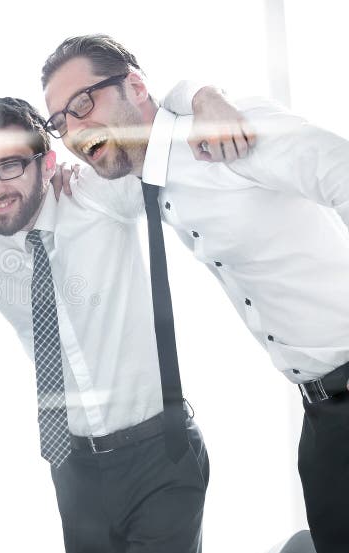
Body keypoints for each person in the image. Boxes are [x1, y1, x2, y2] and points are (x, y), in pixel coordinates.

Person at [41, 34, 349, 553]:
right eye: (60, 121)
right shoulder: (142, 177)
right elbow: (29, 197)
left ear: (135, 86)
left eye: (83, 104)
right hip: (323, 412)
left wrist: (202, 96)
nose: (73, 129)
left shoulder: (227, 132)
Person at [0, 96, 210, 553]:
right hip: (73, 469)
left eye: (10, 165)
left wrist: (198, 95)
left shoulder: (96, 196)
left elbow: (164, 144)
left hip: (160, 453)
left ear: (47, 164)